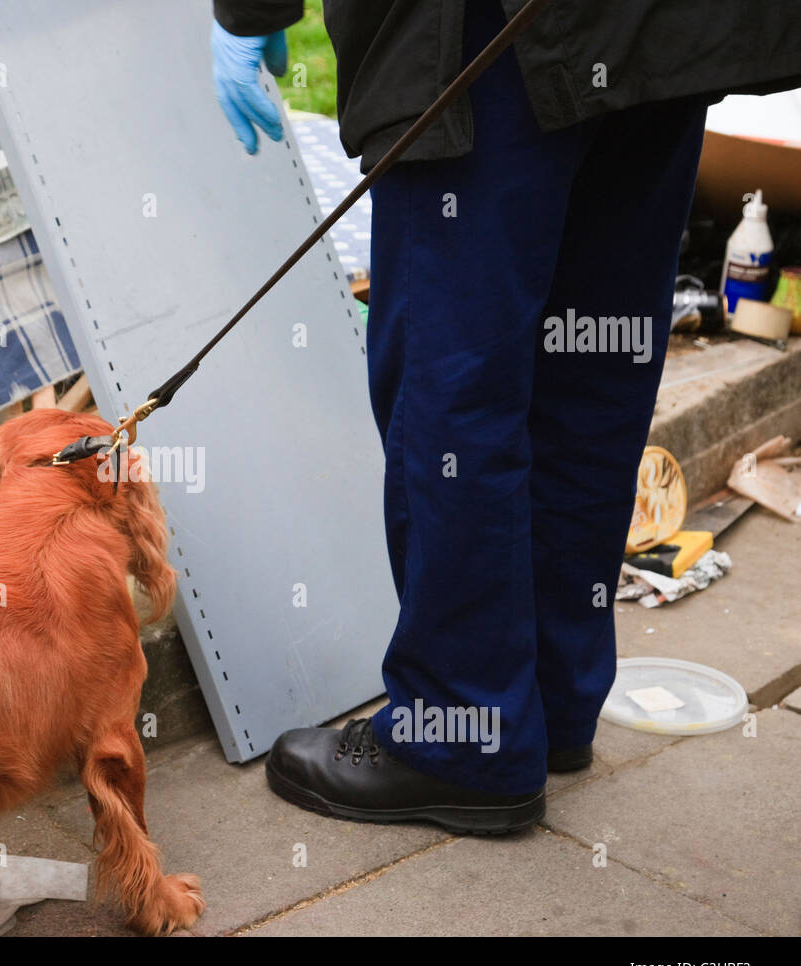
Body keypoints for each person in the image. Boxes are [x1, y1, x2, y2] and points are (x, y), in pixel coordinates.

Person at [211, 0, 801, 833]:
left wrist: (249, 11)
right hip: (662, 28)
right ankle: (551, 704)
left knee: (455, 382)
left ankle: (464, 736)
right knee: (589, 368)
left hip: (479, 26)